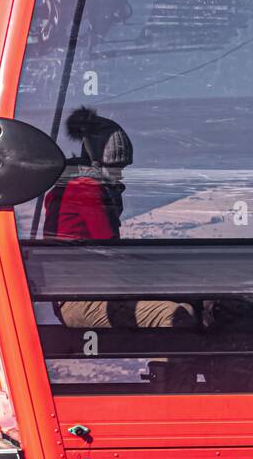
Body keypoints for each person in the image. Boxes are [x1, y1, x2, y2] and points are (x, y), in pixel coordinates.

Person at [46, 107, 198, 390]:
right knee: (174, 316)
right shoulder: (85, 189)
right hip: (82, 302)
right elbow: (108, 246)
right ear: (100, 162)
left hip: (82, 295)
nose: (120, 176)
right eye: (116, 168)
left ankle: (179, 384)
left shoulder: (71, 186)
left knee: (186, 307)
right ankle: (172, 392)